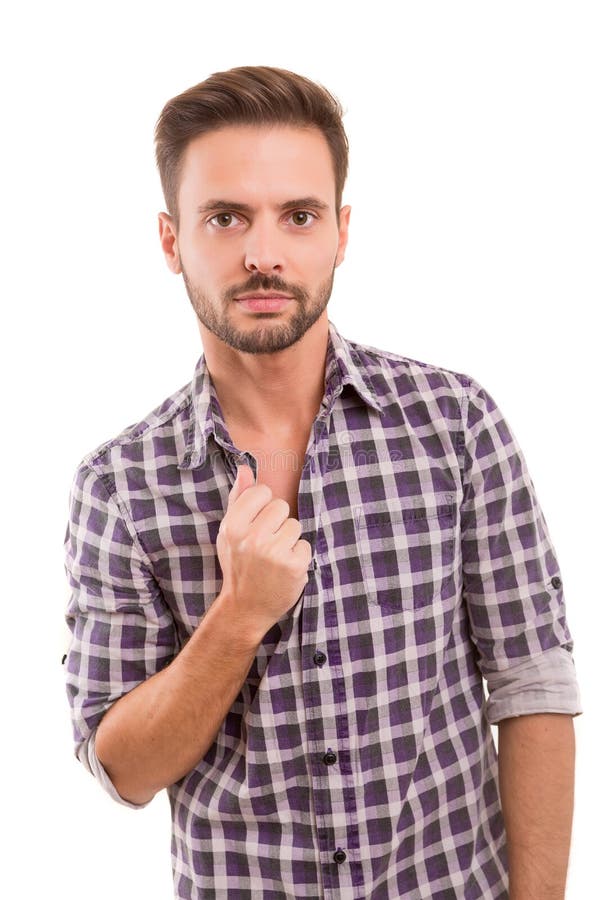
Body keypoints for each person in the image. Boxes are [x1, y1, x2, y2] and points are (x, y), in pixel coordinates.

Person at [63, 65, 582, 899]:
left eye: (297, 216)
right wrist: (237, 618)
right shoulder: (120, 485)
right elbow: (122, 769)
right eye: (226, 218)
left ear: (340, 231)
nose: (263, 253)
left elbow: (532, 682)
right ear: (172, 241)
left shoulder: (454, 425)